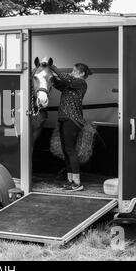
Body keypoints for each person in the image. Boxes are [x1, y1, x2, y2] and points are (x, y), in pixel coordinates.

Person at [49, 63, 93, 192]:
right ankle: (70, 180)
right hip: (64, 119)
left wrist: (54, 67)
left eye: (74, 71)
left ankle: (77, 183)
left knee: (70, 150)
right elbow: (58, 83)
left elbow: (65, 78)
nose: (72, 72)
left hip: (72, 120)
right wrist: (50, 76)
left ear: (82, 73)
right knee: (66, 150)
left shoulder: (80, 83)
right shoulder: (70, 84)